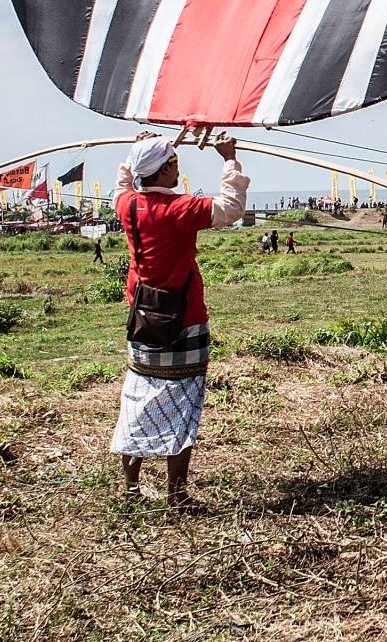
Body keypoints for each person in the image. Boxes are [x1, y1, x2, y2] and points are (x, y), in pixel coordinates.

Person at [110, 132, 247, 508]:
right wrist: (229, 159)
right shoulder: (180, 209)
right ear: (167, 168)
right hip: (184, 319)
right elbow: (230, 209)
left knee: (137, 402)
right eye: (175, 162)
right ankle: (177, 495)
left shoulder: (127, 205)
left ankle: (131, 489)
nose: (178, 168)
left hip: (142, 318)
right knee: (182, 406)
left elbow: (124, 183)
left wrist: (134, 149)